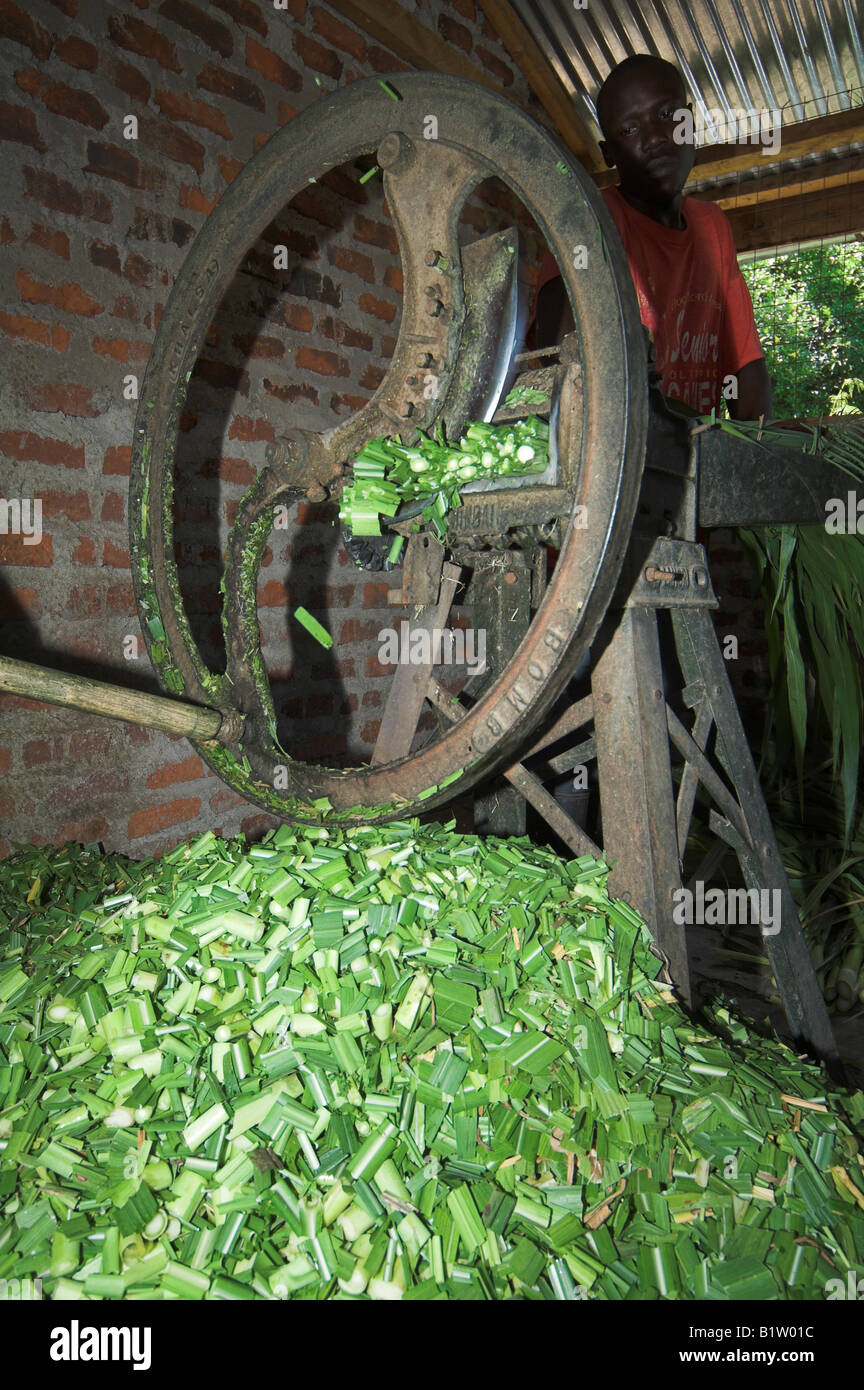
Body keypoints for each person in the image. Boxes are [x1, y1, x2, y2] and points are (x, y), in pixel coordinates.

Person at [533, 54, 772, 420]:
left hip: (690, 458)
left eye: (667, 115)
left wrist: (752, 452)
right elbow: (558, 361)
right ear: (608, 153)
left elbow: (744, 366)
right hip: (616, 454)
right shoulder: (591, 220)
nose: (656, 138)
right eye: (629, 130)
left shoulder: (713, 228)